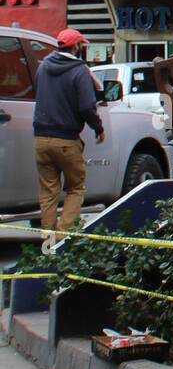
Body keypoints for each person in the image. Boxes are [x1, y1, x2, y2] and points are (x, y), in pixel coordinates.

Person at [32, 28, 104, 233]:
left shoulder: (44, 66)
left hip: (40, 139)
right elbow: (87, 106)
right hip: (66, 139)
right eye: (82, 45)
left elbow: (38, 90)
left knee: (48, 192)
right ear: (76, 46)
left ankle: (47, 239)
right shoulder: (79, 70)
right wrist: (98, 127)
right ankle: (62, 238)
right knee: (76, 188)